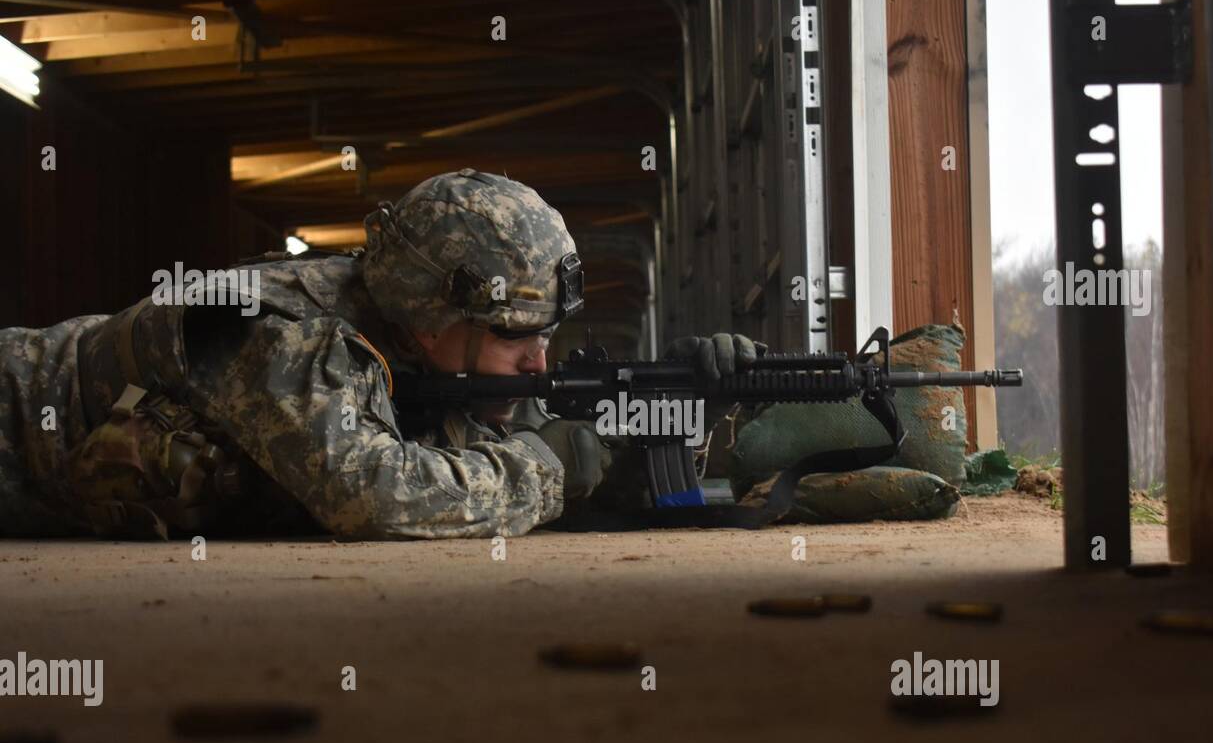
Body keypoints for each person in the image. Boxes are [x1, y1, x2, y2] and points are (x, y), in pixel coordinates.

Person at [0, 169, 758, 540]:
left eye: (546, 337)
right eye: (514, 336)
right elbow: (375, 498)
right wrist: (550, 464)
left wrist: (676, 424)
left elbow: (506, 462)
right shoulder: (286, 333)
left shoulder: (428, 356)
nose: (537, 364)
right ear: (431, 318)